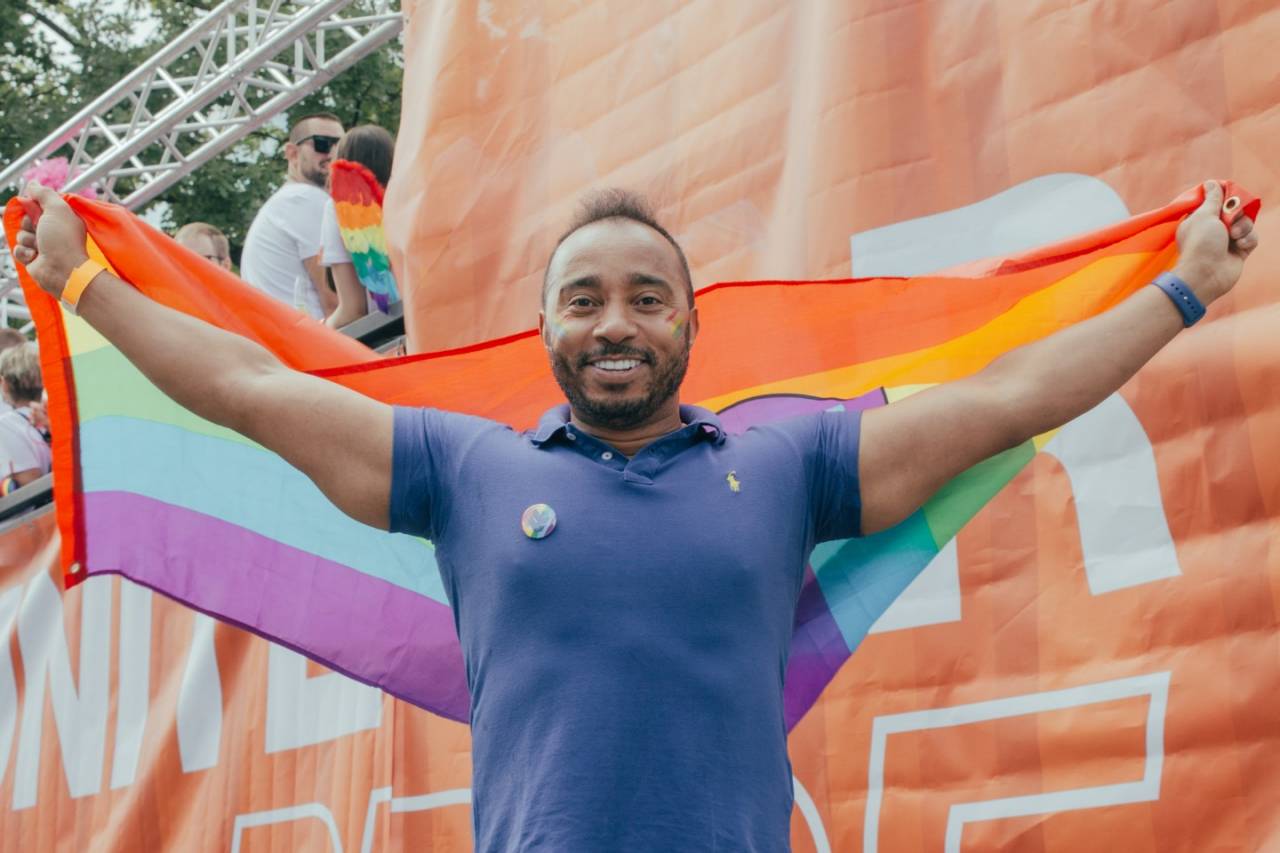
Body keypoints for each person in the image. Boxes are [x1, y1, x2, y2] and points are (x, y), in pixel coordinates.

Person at [11, 180, 1258, 851]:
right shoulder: (461, 469)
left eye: (646, 297)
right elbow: (249, 388)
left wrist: (1181, 294)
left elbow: (1002, 400)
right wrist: (84, 286)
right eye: (584, 298)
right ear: (546, 326)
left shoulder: (793, 464)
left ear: (687, 327)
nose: (614, 321)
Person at [239, 112, 345, 320]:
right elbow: (334, 298)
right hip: (312, 343)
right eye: (322, 144)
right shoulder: (304, 199)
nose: (333, 154)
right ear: (292, 153)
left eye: (341, 146)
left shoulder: (284, 203)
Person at [319, 124, 401, 329]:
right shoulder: (409, 195)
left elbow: (353, 310)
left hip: (389, 332)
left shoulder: (339, 208)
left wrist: (320, 330)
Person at [0, 343, 51, 491]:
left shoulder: (6, 424)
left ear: (4, 384)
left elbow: (31, 484)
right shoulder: (57, 414)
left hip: (41, 509)